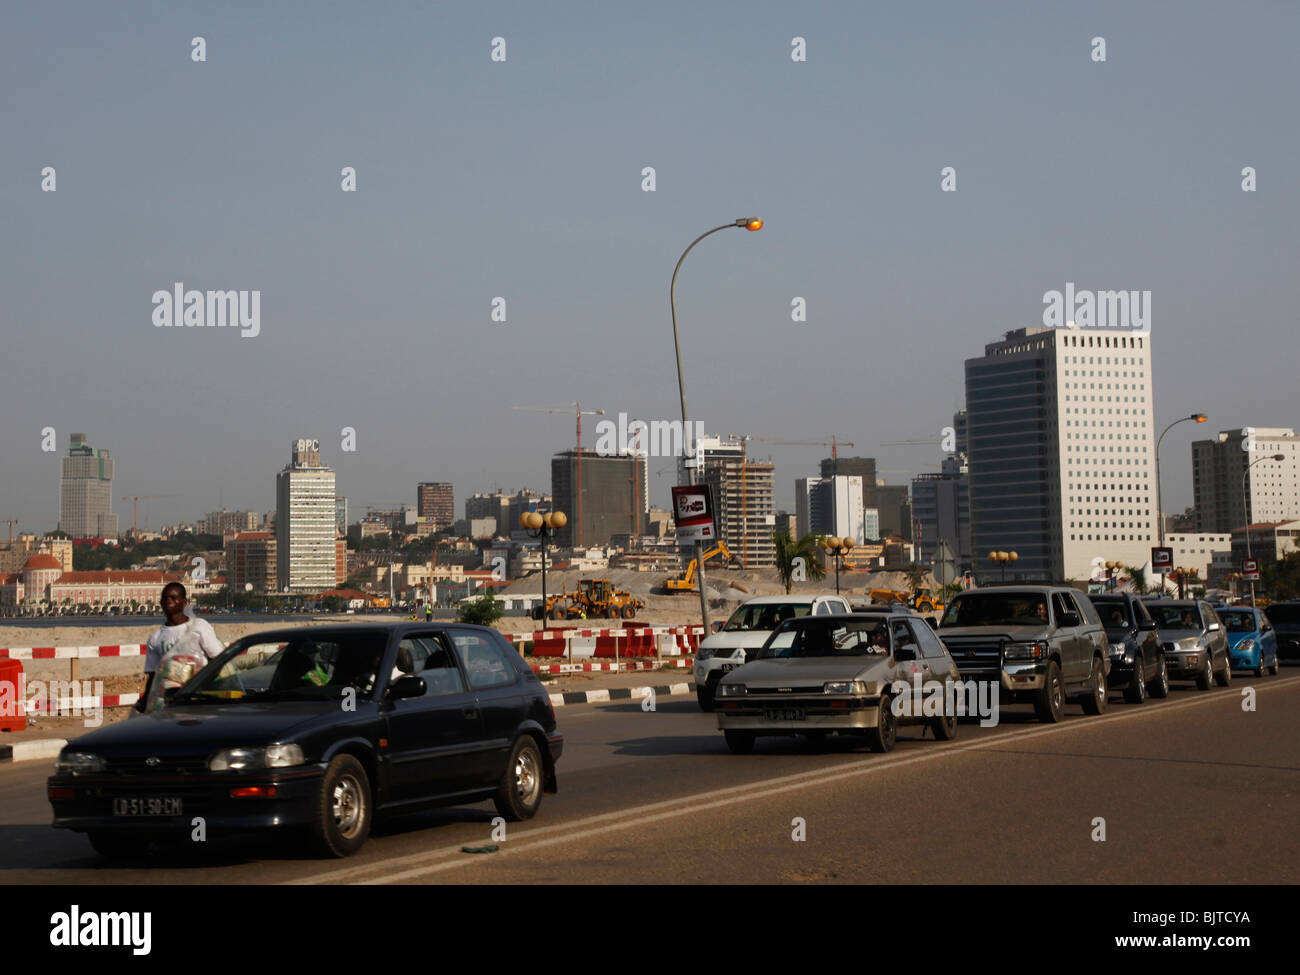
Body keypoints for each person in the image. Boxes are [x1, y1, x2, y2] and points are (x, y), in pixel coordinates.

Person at [136, 582, 225, 713]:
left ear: (184, 602)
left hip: (198, 699)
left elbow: (217, 660)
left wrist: (203, 687)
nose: (168, 601)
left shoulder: (199, 626)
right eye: (165, 598)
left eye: (173, 597)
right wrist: (146, 702)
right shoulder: (155, 638)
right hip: (170, 702)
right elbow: (154, 675)